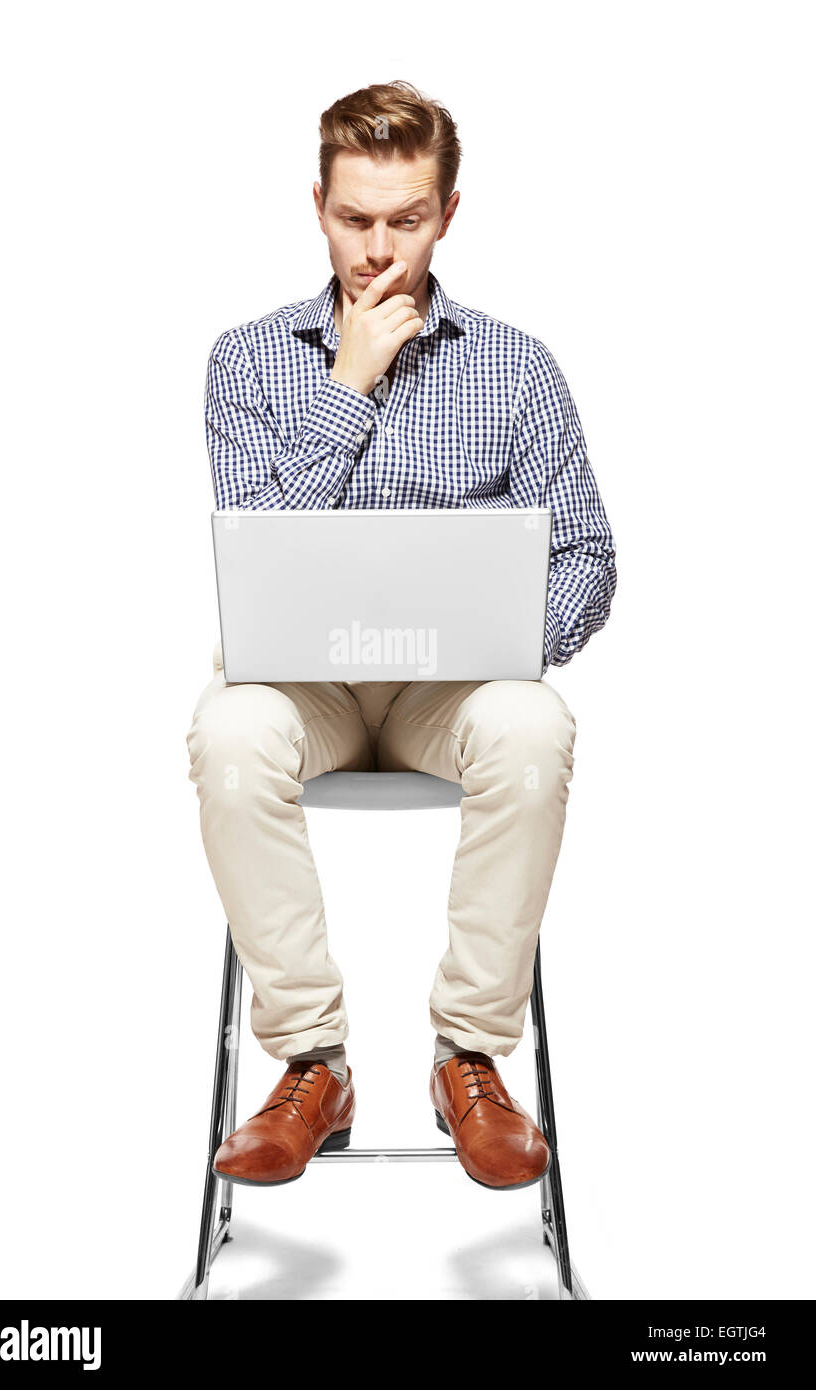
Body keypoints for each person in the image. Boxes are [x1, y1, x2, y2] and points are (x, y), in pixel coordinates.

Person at [186, 80, 617, 1191]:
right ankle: (311, 1063)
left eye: (405, 221)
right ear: (316, 207)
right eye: (354, 219)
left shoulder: (516, 367)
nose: (377, 250)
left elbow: (588, 558)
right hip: (309, 689)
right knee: (228, 732)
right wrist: (350, 379)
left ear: (449, 212)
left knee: (532, 723)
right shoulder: (245, 362)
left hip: (450, 696)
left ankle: (467, 1057)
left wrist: (506, 634)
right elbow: (256, 546)